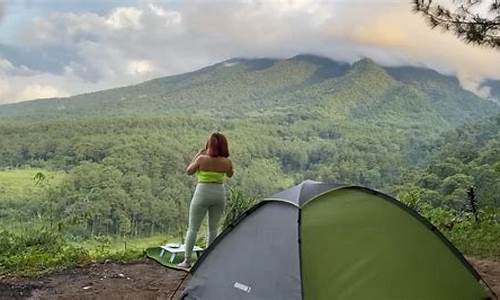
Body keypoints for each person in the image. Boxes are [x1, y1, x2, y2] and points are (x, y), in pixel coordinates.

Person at [177, 132, 233, 268]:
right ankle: (208, 261)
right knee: (213, 229)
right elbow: (230, 175)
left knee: (193, 228)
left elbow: (189, 171)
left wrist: (198, 154)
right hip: (219, 193)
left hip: (202, 193)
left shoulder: (201, 159)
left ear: (209, 145)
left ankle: (187, 261)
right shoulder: (227, 162)